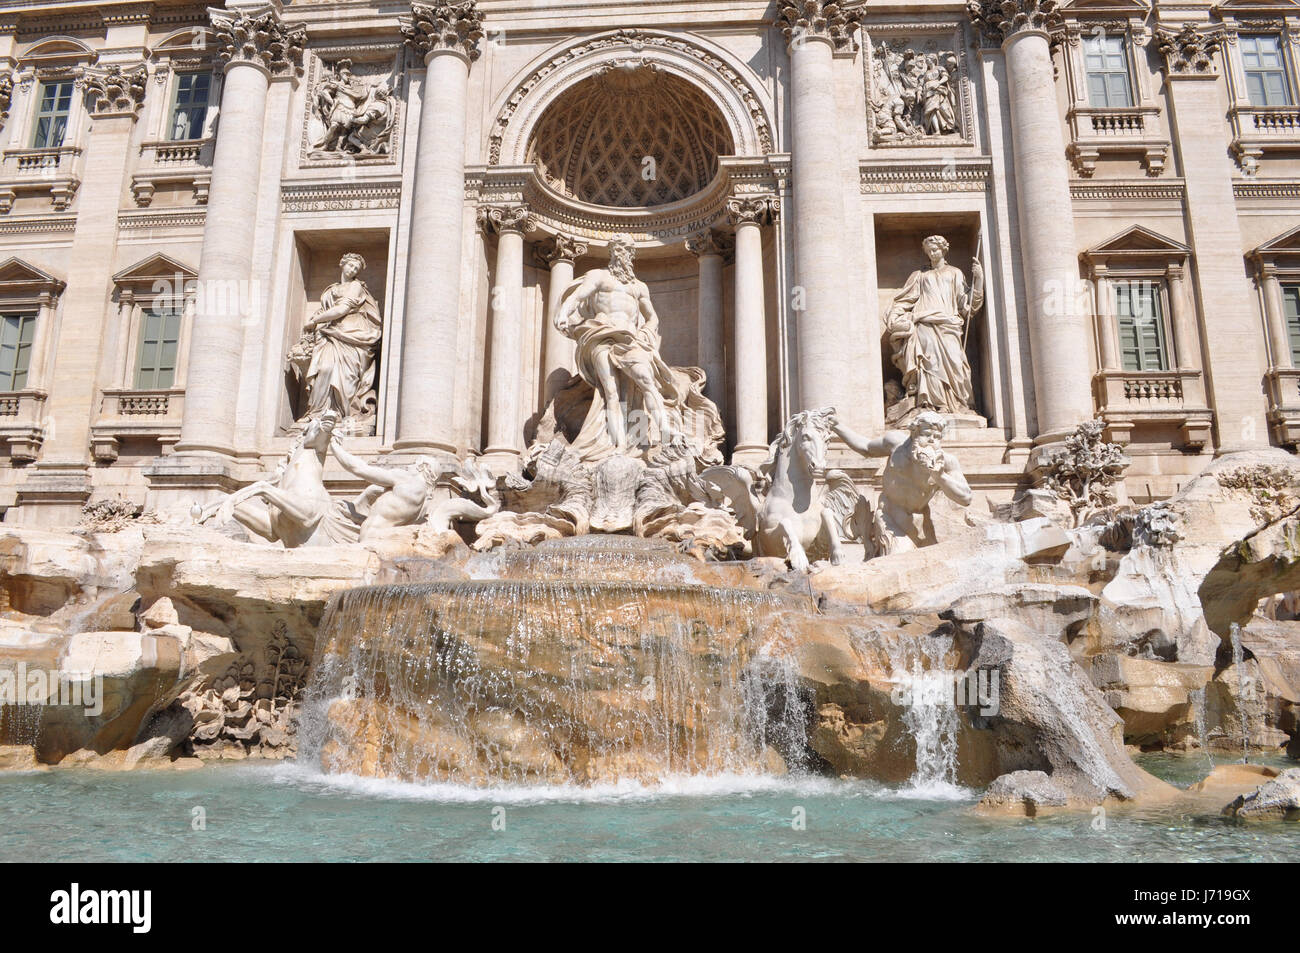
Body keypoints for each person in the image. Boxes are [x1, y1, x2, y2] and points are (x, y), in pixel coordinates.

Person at [830, 410, 972, 554]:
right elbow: (866, 447)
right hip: (889, 517)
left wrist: (940, 476)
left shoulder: (946, 462)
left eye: (936, 437)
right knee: (900, 556)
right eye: (927, 435)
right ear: (914, 433)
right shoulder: (895, 444)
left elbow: (966, 498)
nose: (931, 441)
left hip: (921, 523)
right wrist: (837, 426)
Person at [885, 234, 983, 415]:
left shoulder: (955, 273)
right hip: (924, 323)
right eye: (928, 250)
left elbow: (967, 306)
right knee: (930, 363)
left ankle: (957, 403)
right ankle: (933, 404)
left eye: (935, 249)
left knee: (955, 362)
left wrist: (978, 280)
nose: (932, 253)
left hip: (949, 323)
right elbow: (905, 300)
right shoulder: (919, 276)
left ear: (944, 249)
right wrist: (896, 316)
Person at [292, 252, 382, 425]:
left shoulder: (355, 287)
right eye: (351, 265)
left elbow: (341, 310)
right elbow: (330, 310)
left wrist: (315, 320)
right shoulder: (332, 288)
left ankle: (339, 414)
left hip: (351, 334)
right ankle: (317, 413)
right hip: (330, 334)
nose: (353, 269)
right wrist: (320, 321)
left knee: (345, 377)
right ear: (342, 264)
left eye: (356, 268)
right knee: (324, 369)